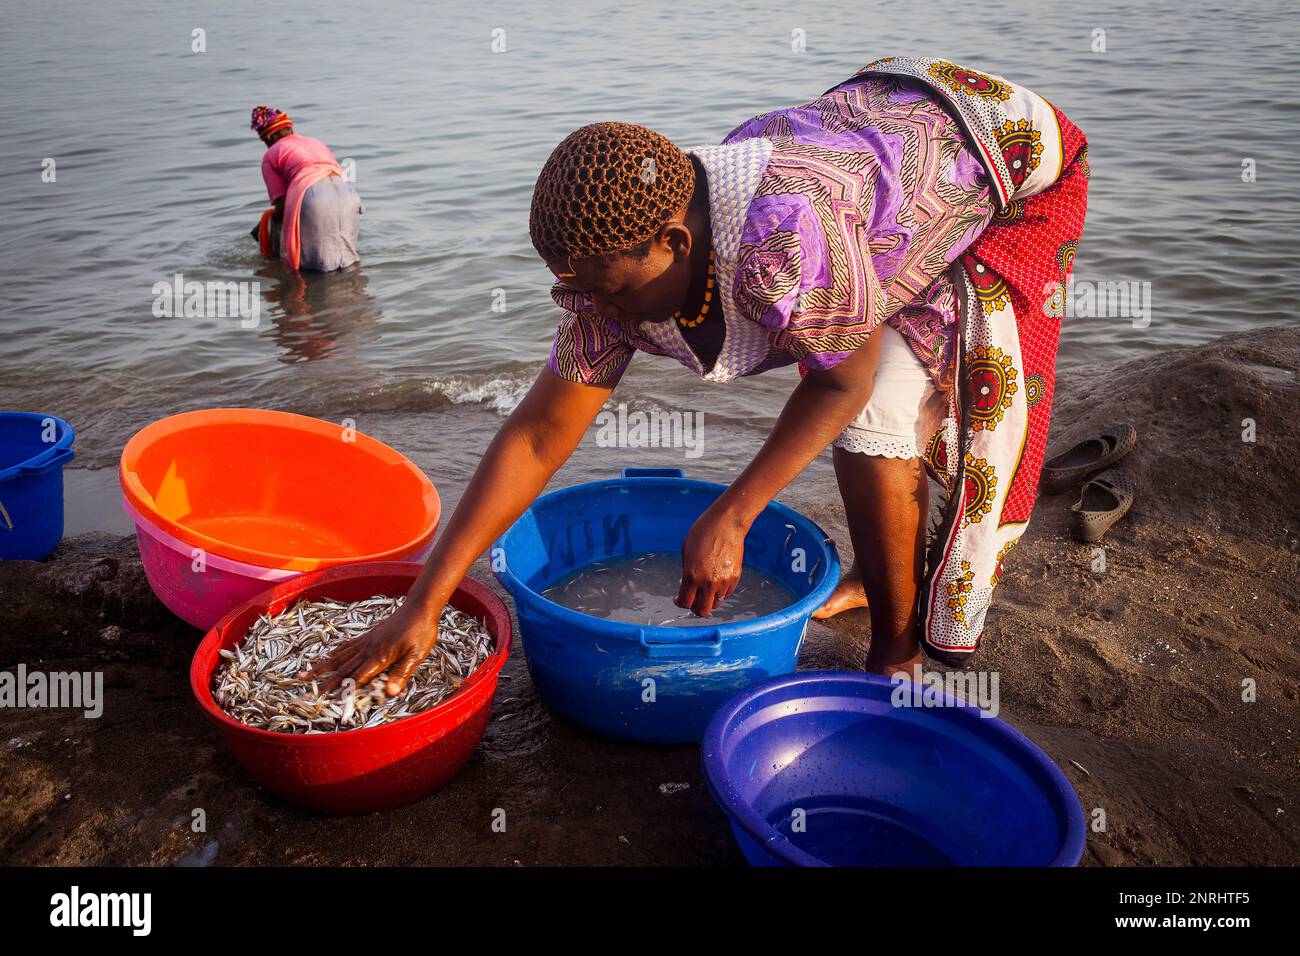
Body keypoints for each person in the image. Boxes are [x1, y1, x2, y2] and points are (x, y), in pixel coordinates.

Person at [318, 56, 1089, 692]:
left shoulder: (783, 240)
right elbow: (537, 434)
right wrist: (427, 598)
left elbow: (839, 380)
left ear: (677, 244)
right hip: (877, 138)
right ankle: (876, 567)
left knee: (877, 417)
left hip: (1009, 160)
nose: (592, 308)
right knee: (848, 329)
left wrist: (735, 512)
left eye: (607, 288)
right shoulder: (612, 274)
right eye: (575, 286)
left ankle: (897, 654)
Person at [249, 105, 363, 272]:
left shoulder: (271, 154)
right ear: (290, 128)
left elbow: (281, 206)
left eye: (265, 141)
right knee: (348, 262)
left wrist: (265, 228)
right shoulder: (315, 142)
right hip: (348, 194)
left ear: (270, 137)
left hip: (313, 195)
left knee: (313, 268)